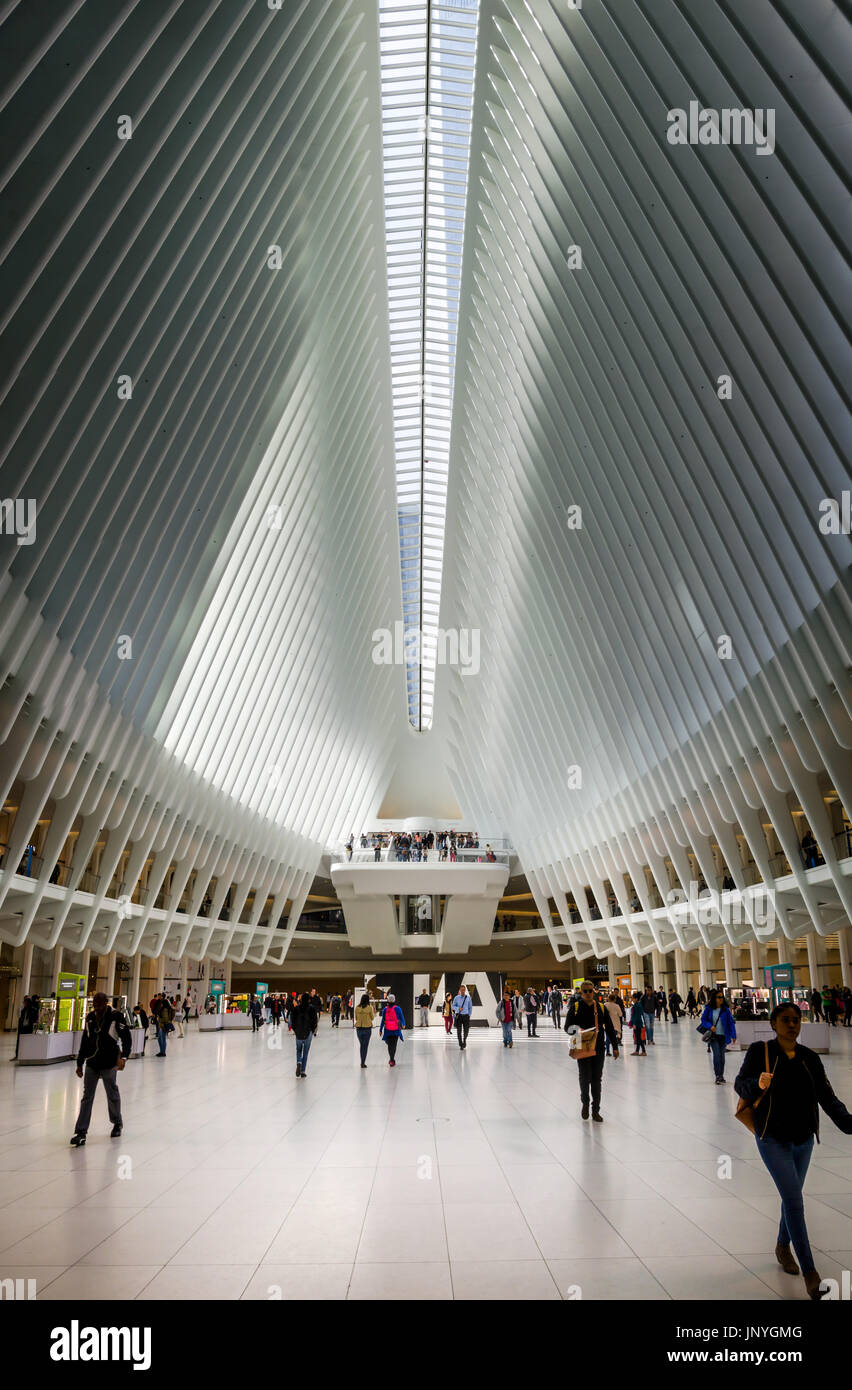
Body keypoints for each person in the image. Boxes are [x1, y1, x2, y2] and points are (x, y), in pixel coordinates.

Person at [735, 1001, 852, 1299]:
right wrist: (757, 1084)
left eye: (796, 1020)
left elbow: (827, 1097)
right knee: (795, 1200)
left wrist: (849, 1124)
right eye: (785, 1020)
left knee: (792, 1198)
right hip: (772, 1138)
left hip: (803, 1140)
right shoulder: (760, 1051)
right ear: (774, 1024)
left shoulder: (809, 1058)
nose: (792, 1024)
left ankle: (782, 1246)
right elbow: (740, 1085)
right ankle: (810, 1272)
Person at [69, 992, 132, 1146]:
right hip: (92, 1062)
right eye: (94, 1003)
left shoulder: (116, 1016)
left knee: (112, 1093)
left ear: (106, 1002)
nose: (96, 1006)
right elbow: (85, 1041)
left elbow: (126, 1038)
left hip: (109, 1062)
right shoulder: (90, 1018)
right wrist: (79, 1062)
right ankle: (81, 1131)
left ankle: (117, 1123)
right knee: (87, 1097)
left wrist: (123, 1057)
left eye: (99, 1003)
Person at [563, 980, 619, 1121]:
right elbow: (567, 1027)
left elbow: (610, 1028)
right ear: (581, 992)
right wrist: (578, 1030)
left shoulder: (600, 1008)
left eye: (590, 991)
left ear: (593, 991)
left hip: (599, 1048)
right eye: (585, 991)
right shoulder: (575, 1007)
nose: (588, 993)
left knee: (596, 1079)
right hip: (582, 1046)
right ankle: (585, 1103)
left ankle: (595, 1110)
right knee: (584, 1077)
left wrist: (615, 1046)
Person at [699, 989, 737, 1083]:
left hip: (723, 1036)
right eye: (719, 997)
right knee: (717, 1055)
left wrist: (733, 1035)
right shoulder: (709, 1008)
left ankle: (721, 1075)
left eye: (722, 997)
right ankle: (718, 1076)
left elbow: (731, 1023)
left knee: (722, 1057)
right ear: (714, 998)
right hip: (714, 1036)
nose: (721, 999)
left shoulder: (726, 1010)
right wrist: (710, 1026)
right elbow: (703, 1020)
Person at [291, 992, 318, 1078]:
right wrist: (313, 1030)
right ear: (309, 1000)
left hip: (298, 1032)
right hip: (308, 1032)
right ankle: (303, 1071)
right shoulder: (312, 1008)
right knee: (305, 1052)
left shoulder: (297, 1008)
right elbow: (315, 1020)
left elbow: (293, 1019)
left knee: (298, 1050)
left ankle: (299, 1062)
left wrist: (295, 1029)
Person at [380, 994, 405, 1066]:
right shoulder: (398, 1008)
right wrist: (403, 1024)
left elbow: (383, 1020)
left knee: (390, 1045)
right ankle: (392, 1059)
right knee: (394, 1045)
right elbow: (402, 1018)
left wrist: (380, 1029)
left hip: (387, 1030)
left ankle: (391, 1059)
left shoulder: (385, 1009)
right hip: (396, 1030)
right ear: (394, 1000)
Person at [14, 993, 39, 1060]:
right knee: (19, 1042)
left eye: (25, 1003)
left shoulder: (33, 1010)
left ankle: (26, 1056)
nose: (24, 1004)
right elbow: (21, 1018)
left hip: (28, 1029)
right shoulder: (23, 1010)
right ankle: (17, 1055)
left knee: (27, 1043)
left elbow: (35, 1019)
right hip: (22, 1028)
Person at [452, 984, 473, 1049]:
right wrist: (458, 1009)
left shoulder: (468, 998)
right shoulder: (456, 998)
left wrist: (469, 1015)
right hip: (459, 1016)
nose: (463, 991)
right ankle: (461, 1044)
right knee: (459, 1031)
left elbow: (470, 1007)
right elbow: (453, 1006)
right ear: (460, 990)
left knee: (466, 1031)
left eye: (464, 990)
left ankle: (464, 1040)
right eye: (461, 990)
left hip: (466, 1016)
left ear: (465, 990)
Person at [604, 991, 622, 1057]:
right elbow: (620, 1014)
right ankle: (615, 1050)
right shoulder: (616, 1006)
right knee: (614, 1038)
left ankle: (607, 1051)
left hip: (606, 1024)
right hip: (615, 1024)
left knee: (607, 1038)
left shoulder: (605, 1004)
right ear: (614, 999)